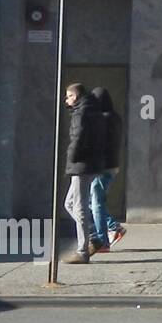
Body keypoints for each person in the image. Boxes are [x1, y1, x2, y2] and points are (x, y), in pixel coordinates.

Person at [61, 83, 104, 264]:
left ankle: (82, 250)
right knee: (70, 203)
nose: (66, 100)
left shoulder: (81, 113)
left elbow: (77, 139)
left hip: (81, 165)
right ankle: (94, 237)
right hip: (88, 164)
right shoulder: (92, 110)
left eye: (69, 96)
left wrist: (71, 157)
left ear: (76, 97)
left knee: (79, 206)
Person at [88, 87, 127, 253]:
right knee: (95, 201)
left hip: (101, 167)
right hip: (112, 166)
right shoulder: (115, 118)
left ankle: (103, 240)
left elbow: (97, 144)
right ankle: (113, 227)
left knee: (95, 202)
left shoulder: (102, 119)